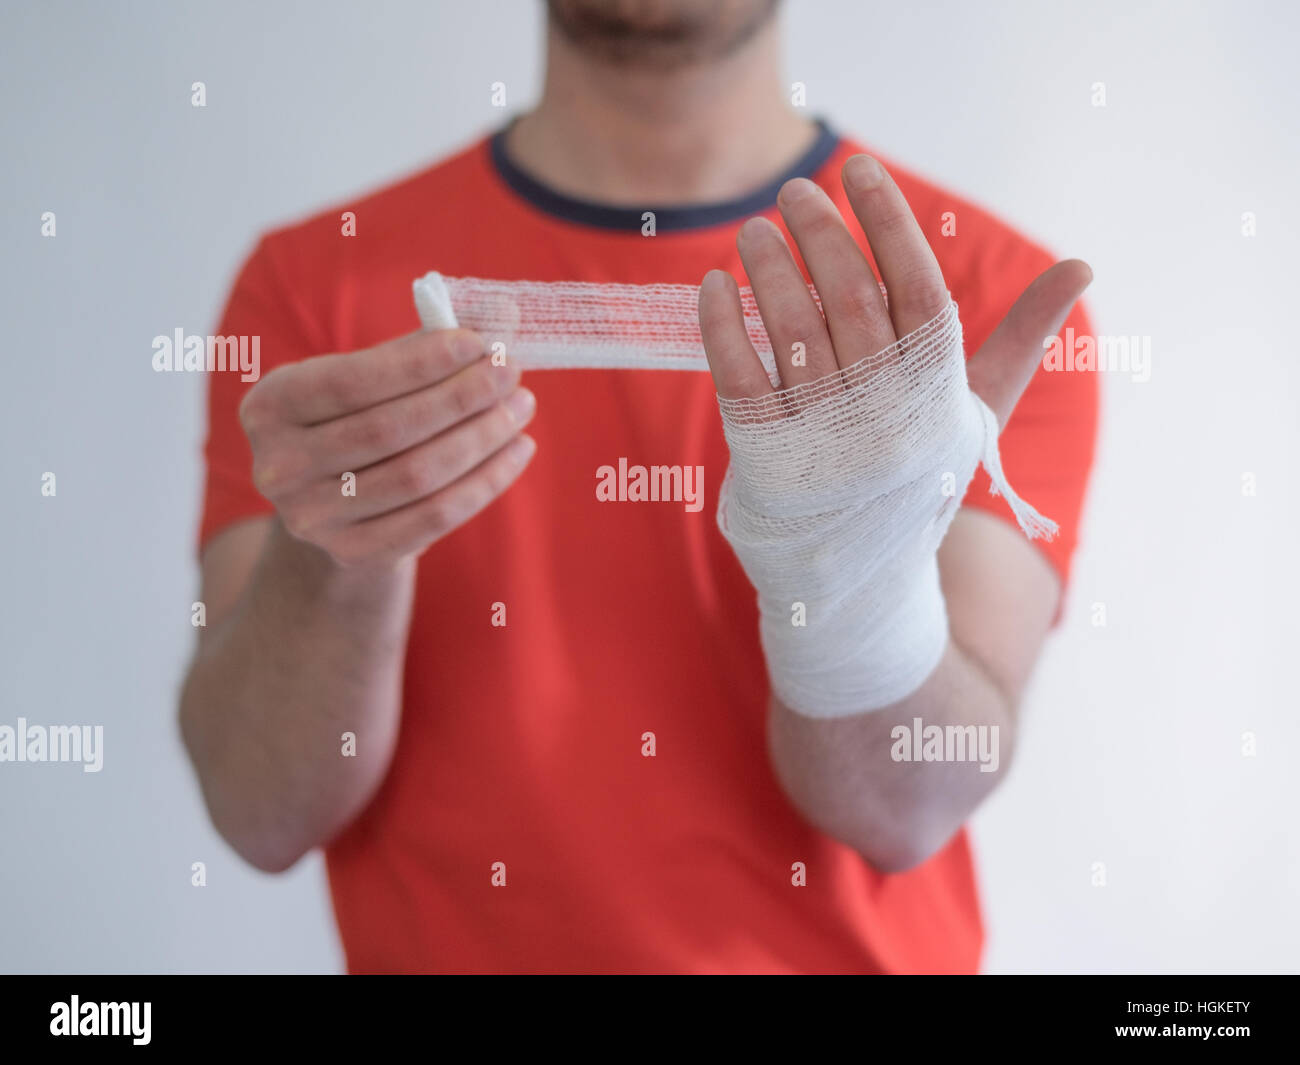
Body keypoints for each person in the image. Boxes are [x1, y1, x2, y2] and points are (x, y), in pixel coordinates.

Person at [180, 0, 1097, 973]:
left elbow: (907, 810)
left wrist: (849, 583)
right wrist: (335, 554)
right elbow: (257, 809)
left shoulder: (975, 307)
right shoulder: (314, 287)